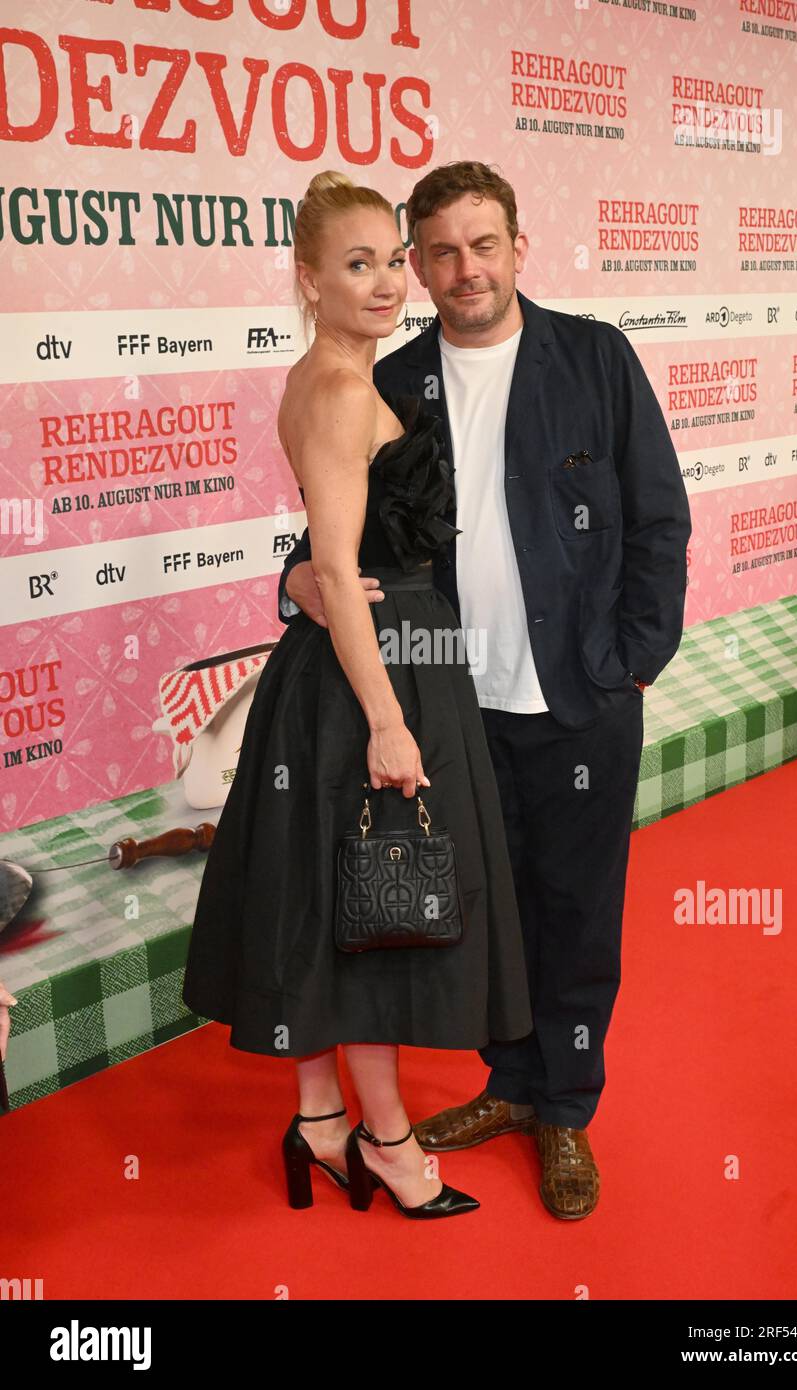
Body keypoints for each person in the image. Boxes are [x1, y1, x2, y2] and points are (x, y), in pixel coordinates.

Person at [280, 160, 692, 1220]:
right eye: (441, 250)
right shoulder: (393, 377)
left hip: (578, 702)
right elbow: (343, 530)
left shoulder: (592, 359)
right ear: (417, 262)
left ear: (518, 247)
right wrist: (293, 580)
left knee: (575, 908)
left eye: (483, 243)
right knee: (488, 914)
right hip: (445, 709)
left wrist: (634, 654)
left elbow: (657, 518)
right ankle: (508, 1084)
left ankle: (564, 1106)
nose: (464, 268)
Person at [182, 170, 534, 1220]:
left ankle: (323, 1120)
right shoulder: (340, 391)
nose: (388, 282)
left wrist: (304, 583)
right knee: (375, 909)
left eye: (393, 258)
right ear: (308, 278)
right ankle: (386, 1142)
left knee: (331, 898)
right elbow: (339, 569)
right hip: (371, 674)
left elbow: (325, 557)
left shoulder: (319, 374)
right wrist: (386, 718)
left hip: (363, 656)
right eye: (357, 263)